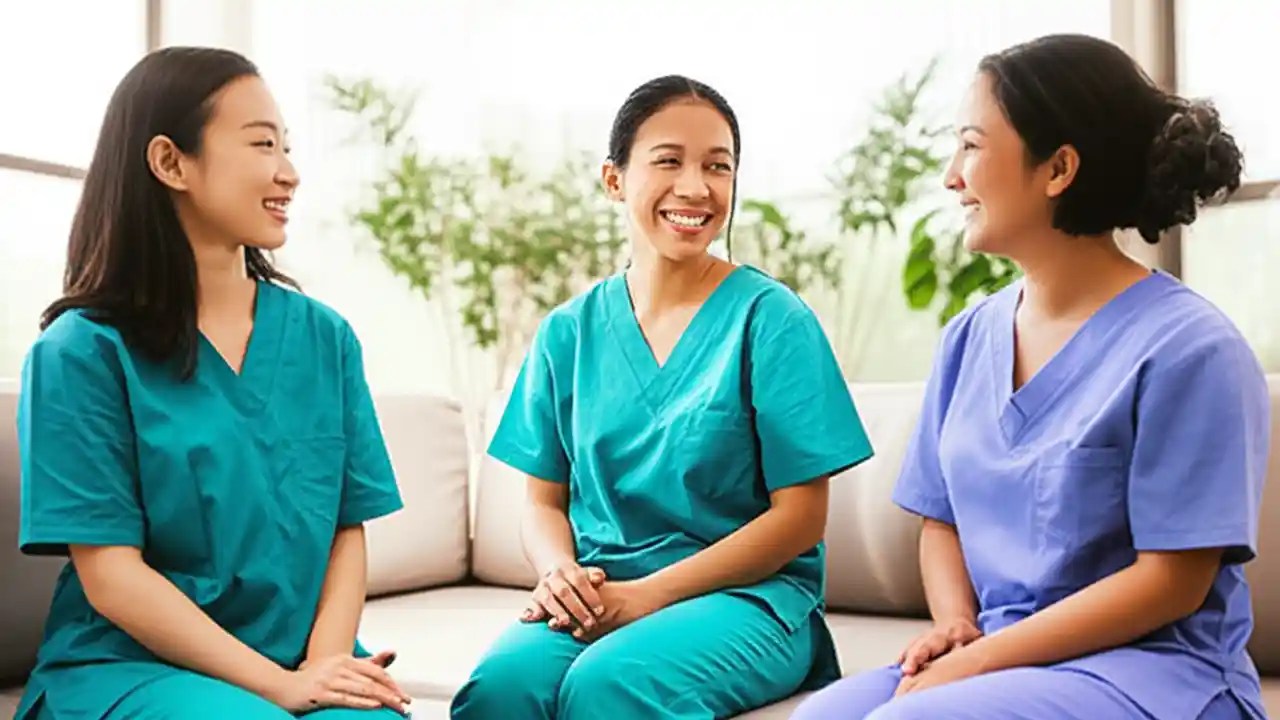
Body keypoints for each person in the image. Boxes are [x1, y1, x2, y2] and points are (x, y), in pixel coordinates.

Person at [791, 33, 1267, 720]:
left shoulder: (1191, 349)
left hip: (1154, 674)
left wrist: (978, 662)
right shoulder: (968, 338)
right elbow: (941, 521)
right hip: (1003, 654)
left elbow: (1172, 583)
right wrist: (957, 625)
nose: (952, 176)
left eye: (972, 146)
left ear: (1059, 169)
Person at [449, 75, 874, 719]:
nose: (696, 187)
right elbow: (542, 502)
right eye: (669, 161)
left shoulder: (771, 320)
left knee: (609, 685)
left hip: (749, 601)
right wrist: (559, 572)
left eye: (718, 167)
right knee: (500, 689)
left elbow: (801, 519)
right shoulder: (569, 331)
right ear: (614, 180)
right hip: (601, 589)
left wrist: (647, 595)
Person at [14, 47, 410, 719]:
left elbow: (347, 527)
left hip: (294, 658)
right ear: (171, 162)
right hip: (135, 669)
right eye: (262, 145)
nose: (288, 173)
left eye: (287, 147)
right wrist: (279, 688)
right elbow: (110, 577)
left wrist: (323, 667)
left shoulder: (324, 337)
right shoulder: (80, 352)